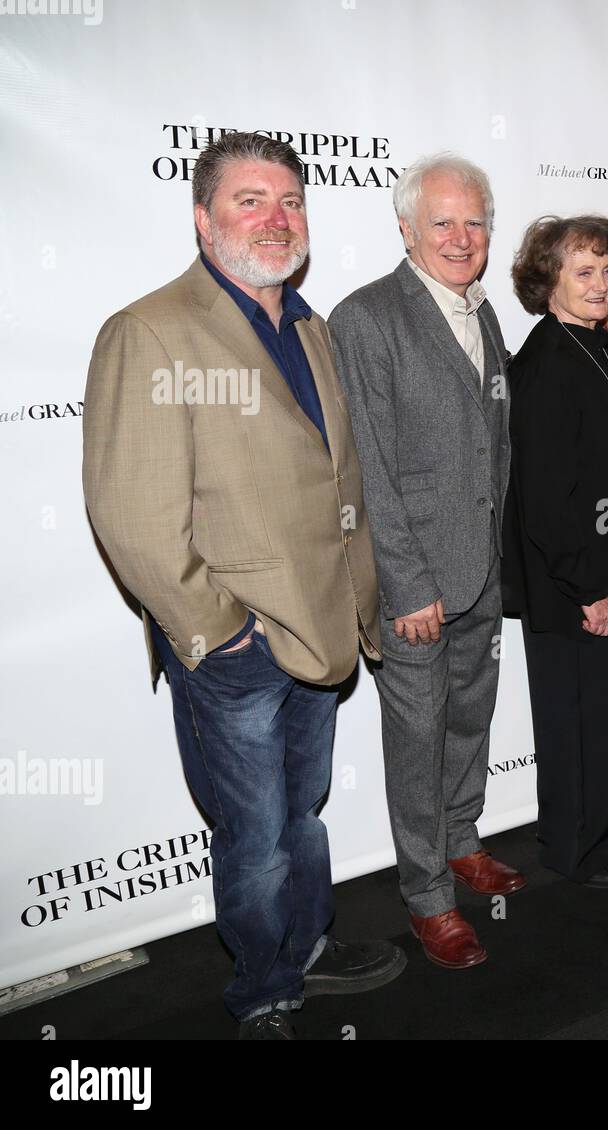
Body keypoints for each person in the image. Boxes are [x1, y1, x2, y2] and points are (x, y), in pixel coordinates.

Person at [82, 132, 404, 1039]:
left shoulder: (313, 326)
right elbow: (130, 513)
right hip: (238, 649)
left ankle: (305, 946)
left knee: (301, 814)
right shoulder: (150, 330)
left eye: (290, 200)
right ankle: (263, 991)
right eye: (249, 200)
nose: (276, 217)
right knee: (254, 837)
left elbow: (335, 480)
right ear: (201, 218)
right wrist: (220, 632)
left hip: (322, 632)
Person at [329, 153, 523, 972]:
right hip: (415, 585)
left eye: (474, 221)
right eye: (442, 221)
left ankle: (461, 839)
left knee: (470, 720)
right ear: (406, 229)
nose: (460, 236)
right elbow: (367, 462)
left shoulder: (483, 313)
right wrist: (405, 583)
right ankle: (427, 897)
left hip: (480, 569)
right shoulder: (366, 317)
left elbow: (494, 446)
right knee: (416, 738)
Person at [502, 215, 608, 888]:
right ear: (549, 280)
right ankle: (584, 852)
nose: (601, 284)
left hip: (597, 572)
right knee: (581, 725)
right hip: (576, 583)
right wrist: (587, 589)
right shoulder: (549, 362)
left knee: (596, 721)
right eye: (583, 272)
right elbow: (545, 498)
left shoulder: (588, 344)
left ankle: (588, 846)